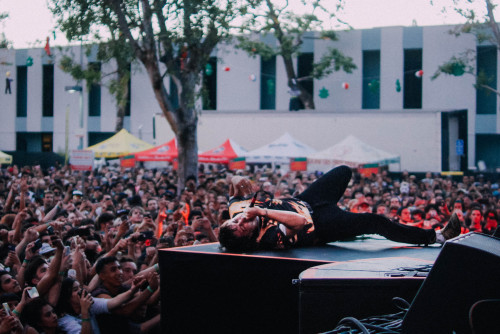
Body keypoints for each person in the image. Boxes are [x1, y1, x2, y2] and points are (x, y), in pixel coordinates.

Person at [219, 165, 461, 252]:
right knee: (372, 221)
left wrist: (236, 180)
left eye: (235, 221)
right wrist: (262, 212)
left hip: (307, 200)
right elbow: (299, 223)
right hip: (319, 224)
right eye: (241, 226)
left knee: (343, 171)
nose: (240, 220)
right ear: (250, 237)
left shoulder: (236, 211)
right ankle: (436, 236)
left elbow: (233, 192)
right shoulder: (269, 238)